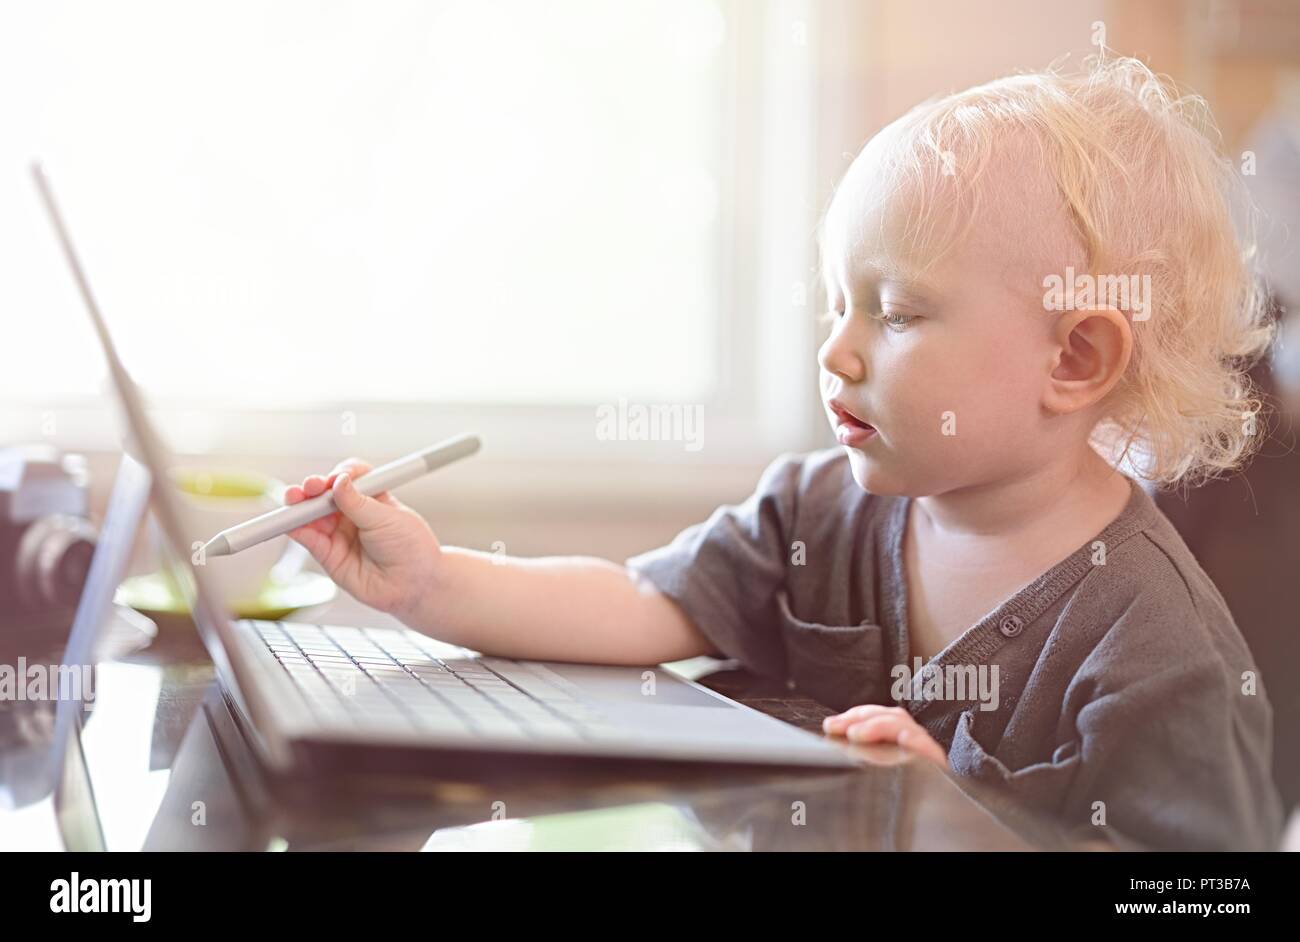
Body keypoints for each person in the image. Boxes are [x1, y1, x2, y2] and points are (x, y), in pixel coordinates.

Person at [284, 55, 1284, 851]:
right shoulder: (815, 511)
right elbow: (642, 606)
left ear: (1072, 356)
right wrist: (429, 584)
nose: (834, 350)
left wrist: (956, 824)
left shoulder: (1156, 647)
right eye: (835, 302)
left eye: (894, 312)